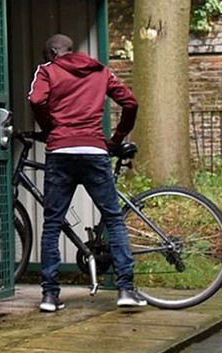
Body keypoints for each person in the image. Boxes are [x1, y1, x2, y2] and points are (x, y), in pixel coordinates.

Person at [27, 33, 143, 312]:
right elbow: (131, 103)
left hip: (61, 153)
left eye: (47, 55)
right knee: (114, 220)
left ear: (53, 52)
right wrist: (116, 138)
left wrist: (51, 128)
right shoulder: (100, 71)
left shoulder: (48, 71)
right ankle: (126, 289)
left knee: (52, 224)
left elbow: (36, 100)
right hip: (94, 151)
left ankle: (50, 296)